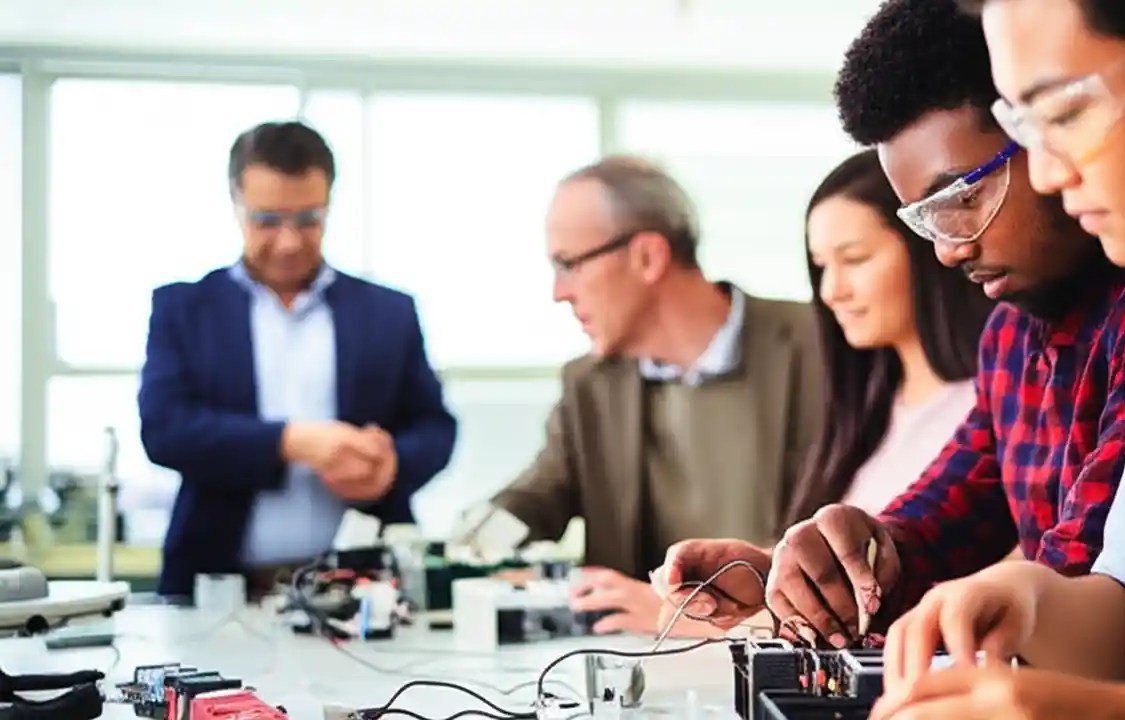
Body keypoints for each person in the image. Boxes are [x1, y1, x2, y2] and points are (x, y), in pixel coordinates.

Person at [656, 0, 1125, 651]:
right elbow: (936, 523)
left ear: (1041, 133)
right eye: (926, 218)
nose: (948, 250)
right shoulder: (1010, 337)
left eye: (964, 199)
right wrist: (826, 566)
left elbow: (1082, 574)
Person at [871, 1, 1125, 718]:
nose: (1049, 174)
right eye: (1027, 129)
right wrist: (1028, 603)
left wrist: (1119, 713)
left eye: (1064, 114)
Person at [463, 156, 823, 635]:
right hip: (638, 663)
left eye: (569, 265)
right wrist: (466, 542)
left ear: (648, 257)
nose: (559, 292)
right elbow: (536, 497)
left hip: (781, 653)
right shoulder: (590, 384)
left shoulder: (819, 348)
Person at [139, 121, 457, 598]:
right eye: (266, 220)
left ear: (329, 204)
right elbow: (165, 429)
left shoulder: (388, 311)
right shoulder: (184, 309)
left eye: (308, 218)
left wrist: (393, 464)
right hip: (218, 588)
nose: (288, 242)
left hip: (365, 593)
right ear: (235, 203)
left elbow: (435, 427)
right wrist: (292, 442)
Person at [783, 150, 993, 529]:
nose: (831, 291)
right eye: (821, 266)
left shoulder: (993, 404)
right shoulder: (866, 414)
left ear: (927, 248)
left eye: (855, 259)